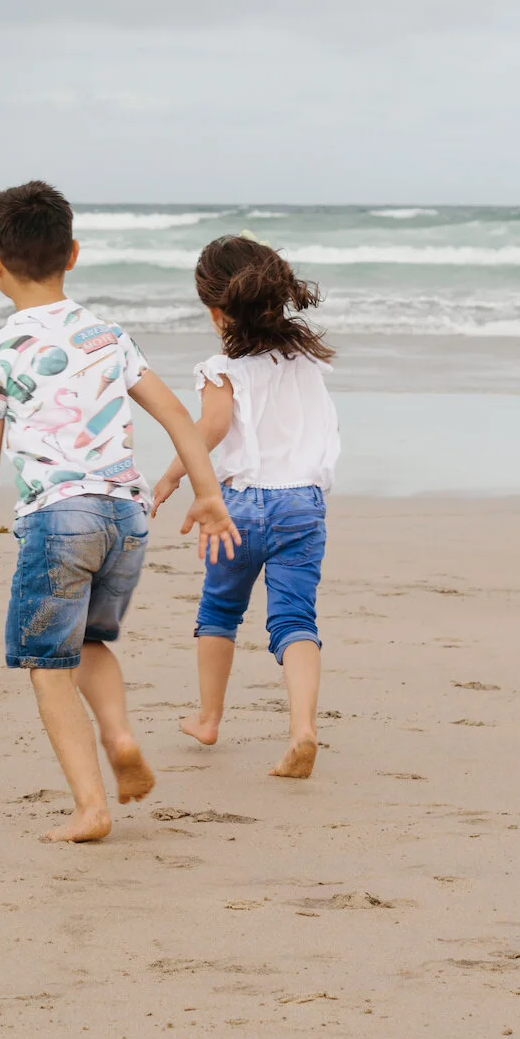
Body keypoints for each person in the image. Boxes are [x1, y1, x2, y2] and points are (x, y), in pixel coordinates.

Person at [0, 181, 241, 843]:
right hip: (126, 516)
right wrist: (207, 491)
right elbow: (176, 413)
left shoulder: (0, 350)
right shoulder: (108, 335)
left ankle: (91, 805)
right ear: (74, 253)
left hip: (58, 519)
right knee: (88, 640)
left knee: (47, 661)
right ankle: (117, 735)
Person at [152, 234, 339, 779]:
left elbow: (208, 429)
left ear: (216, 311)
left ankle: (209, 718)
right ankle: (303, 727)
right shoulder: (305, 360)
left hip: (238, 505)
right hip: (303, 504)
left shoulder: (221, 369)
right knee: (295, 620)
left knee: (218, 612)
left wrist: (170, 476)